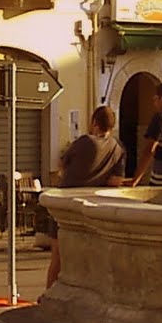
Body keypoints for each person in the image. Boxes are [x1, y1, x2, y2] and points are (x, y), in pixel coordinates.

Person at [45, 105, 127, 287]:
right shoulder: (118, 148)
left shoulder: (84, 142)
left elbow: (62, 164)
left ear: (94, 123)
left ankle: (48, 293)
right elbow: (116, 181)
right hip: (92, 206)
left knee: (58, 256)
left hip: (64, 205)